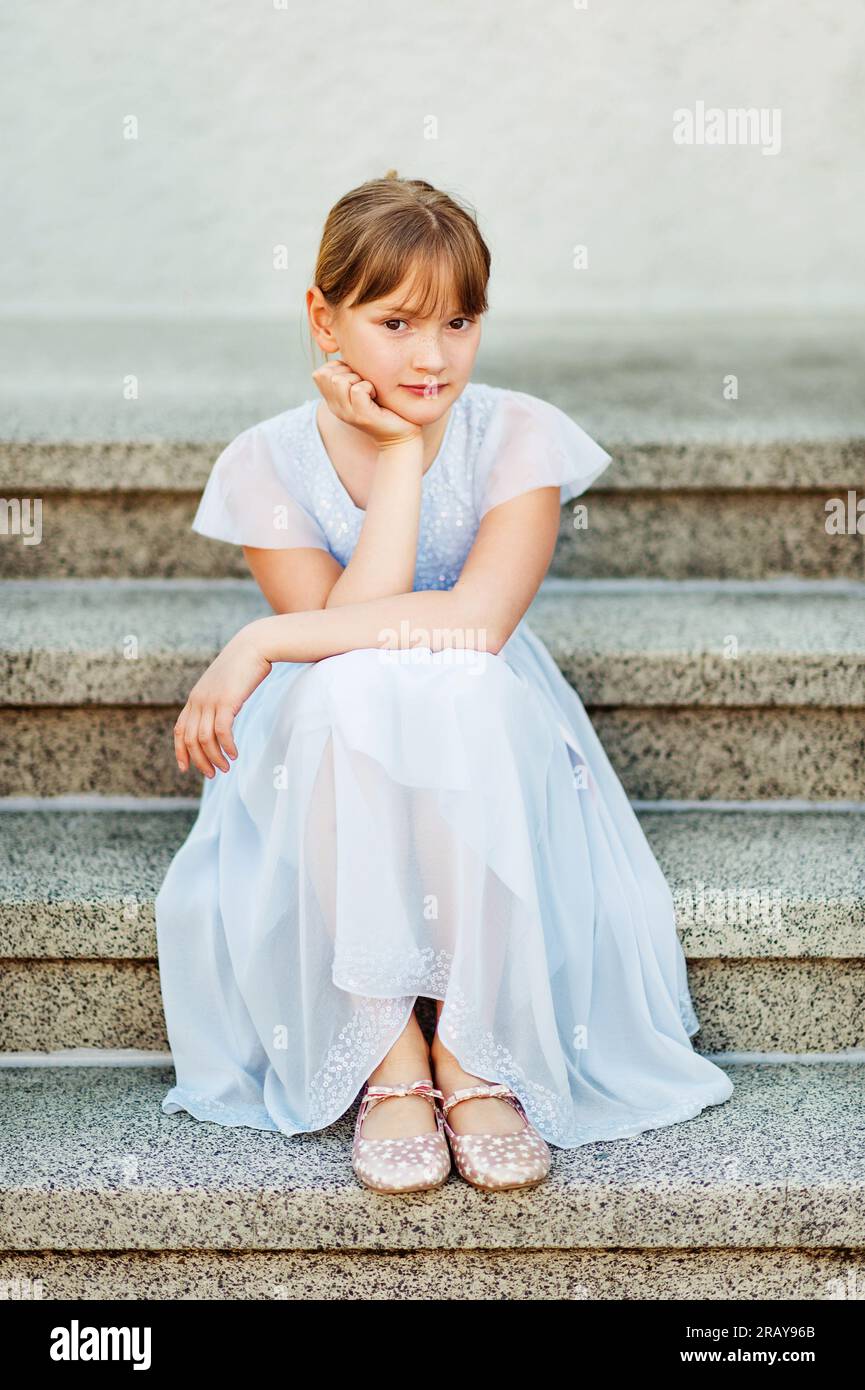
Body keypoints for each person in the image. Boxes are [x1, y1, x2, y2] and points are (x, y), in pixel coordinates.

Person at [155, 171, 734, 1196]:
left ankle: (475, 1044)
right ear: (321, 317)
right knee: (346, 692)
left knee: (458, 689)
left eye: (459, 321)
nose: (432, 356)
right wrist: (397, 456)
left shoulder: (518, 437)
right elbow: (338, 649)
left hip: (482, 719)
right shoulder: (266, 464)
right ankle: (389, 1053)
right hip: (328, 734)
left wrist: (261, 637)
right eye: (395, 322)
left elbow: (472, 629)